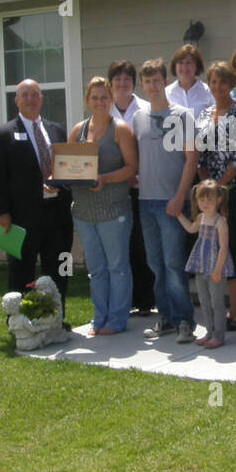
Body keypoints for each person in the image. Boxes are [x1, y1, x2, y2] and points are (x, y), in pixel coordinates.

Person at [0, 79, 74, 302]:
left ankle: (57, 318)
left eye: (35, 94)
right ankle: (20, 323)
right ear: (16, 100)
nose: (31, 99)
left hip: (56, 213)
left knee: (59, 269)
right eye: (25, 94)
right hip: (21, 217)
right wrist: (2, 213)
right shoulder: (2, 134)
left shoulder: (56, 130)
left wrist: (60, 185)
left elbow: (65, 168)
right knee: (21, 271)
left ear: (42, 99)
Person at [133, 58, 199, 343]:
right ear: (142, 85)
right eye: (147, 82)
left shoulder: (183, 115)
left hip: (171, 202)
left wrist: (180, 196)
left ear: (165, 81)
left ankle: (185, 320)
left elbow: (191, 160)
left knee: (174, 264)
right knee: (156, 264)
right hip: (145, 201)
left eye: (157, 80)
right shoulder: (138, 118)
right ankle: (167, 319)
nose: (152, 86)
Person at [70, 77, 138, 335]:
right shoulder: (77, 130)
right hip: (84, 213)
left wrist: (105, 179)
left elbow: (133, 168)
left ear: (111, 100)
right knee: (96, 270)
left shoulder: (120, 129)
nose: (100, 102)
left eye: (104, 97)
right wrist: (56, 179)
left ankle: (117, 320)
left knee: (117, 267)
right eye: (95, 97)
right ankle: (99, 318)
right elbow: (66, 164)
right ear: (88, 100)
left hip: (114, 211)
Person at [194, 60, 236, 330]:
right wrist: (206, 185)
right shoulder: (205, 114)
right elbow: (200, 154)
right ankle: (233, 309)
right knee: (221, 250)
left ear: (231, 84)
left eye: (223, 81)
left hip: (232, 190)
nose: (218, 86)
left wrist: (220, 187)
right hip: (211, 195)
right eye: (213, 81)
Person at [108, 60, 154, 317]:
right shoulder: (103, 112)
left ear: (133, 83)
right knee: (118, 247)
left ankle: (145, 300)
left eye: (127, 79)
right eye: (117, 79)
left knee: (141, 245)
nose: (122, 83)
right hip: (113, 190)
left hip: (142, 188)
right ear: (110, 83)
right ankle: (121, 301)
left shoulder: (146, 109)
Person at [177, 179, 234, 348]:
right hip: (201, 265)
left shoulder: (220, 221)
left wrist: (217, 270)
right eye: (202, 199)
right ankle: (209, 332)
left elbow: (223, 247)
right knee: (204, 301)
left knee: (216, 302)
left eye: (209, 199)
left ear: (218, 200)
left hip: (215, 267)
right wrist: (178, 215)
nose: (205, 203)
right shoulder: (201, 218)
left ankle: (218, 335)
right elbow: (191, 228)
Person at [165, 43, 214, 114]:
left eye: (189, 62)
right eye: (180, 63)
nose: (184, 67)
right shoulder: (167, 93)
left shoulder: (207, 91)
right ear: (174, 66)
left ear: (196, 66)